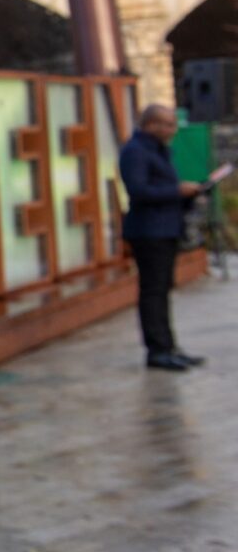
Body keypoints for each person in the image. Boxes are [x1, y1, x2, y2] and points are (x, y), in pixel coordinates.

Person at [118, 103, 205, 371]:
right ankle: (157, 350)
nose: (173, 130)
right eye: (168, 125)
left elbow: (162, 189)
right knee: (153, 291)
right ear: (151, 125)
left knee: (162, 290)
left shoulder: (159, 151)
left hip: (166, 228)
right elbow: (140, 191)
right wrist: (178, 191)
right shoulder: (135, 152)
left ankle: (168, 346)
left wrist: (192, 195)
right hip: (148, 231)